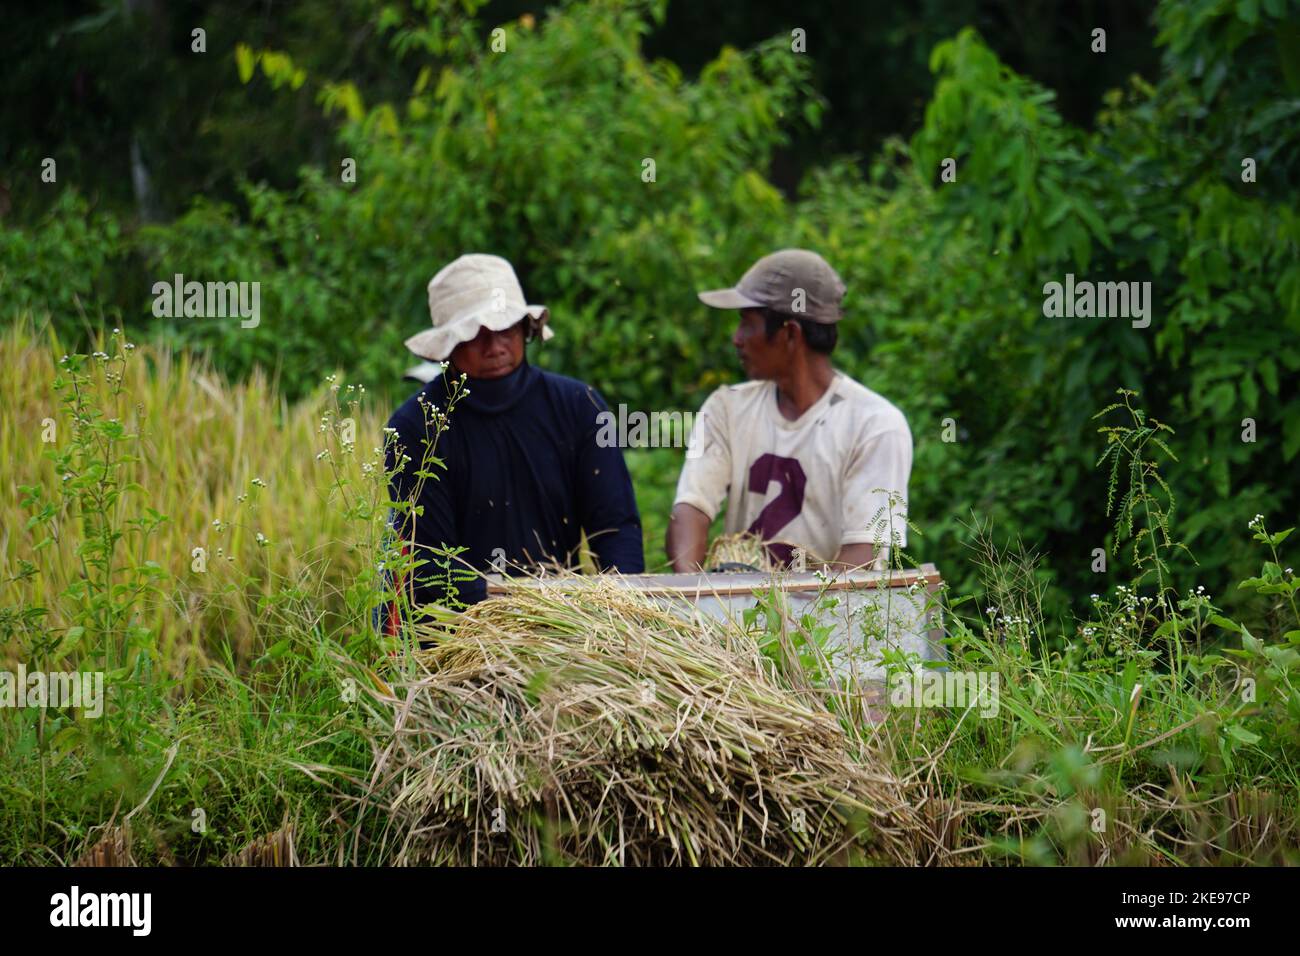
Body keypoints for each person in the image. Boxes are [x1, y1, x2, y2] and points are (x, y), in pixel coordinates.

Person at [383, 253, 644, 621]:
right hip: (460, 631)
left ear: (525, 327)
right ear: (449, 345)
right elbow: (431, 565)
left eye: (505, 328)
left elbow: (616, 529)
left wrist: (623, 615)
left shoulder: (578, 407)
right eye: (476, 334)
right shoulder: (416, 427)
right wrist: (513, 612)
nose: (494, 346)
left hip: (568, 620)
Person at [666, 249, 912, 573]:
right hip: (736, 617)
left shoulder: (874, 425)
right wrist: (696, 599)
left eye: (747, 324)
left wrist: (794, 621)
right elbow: (691, 510)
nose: (736, 339)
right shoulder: (726, 408)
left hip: (833, 620)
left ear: (790, 334)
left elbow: (861, 557)